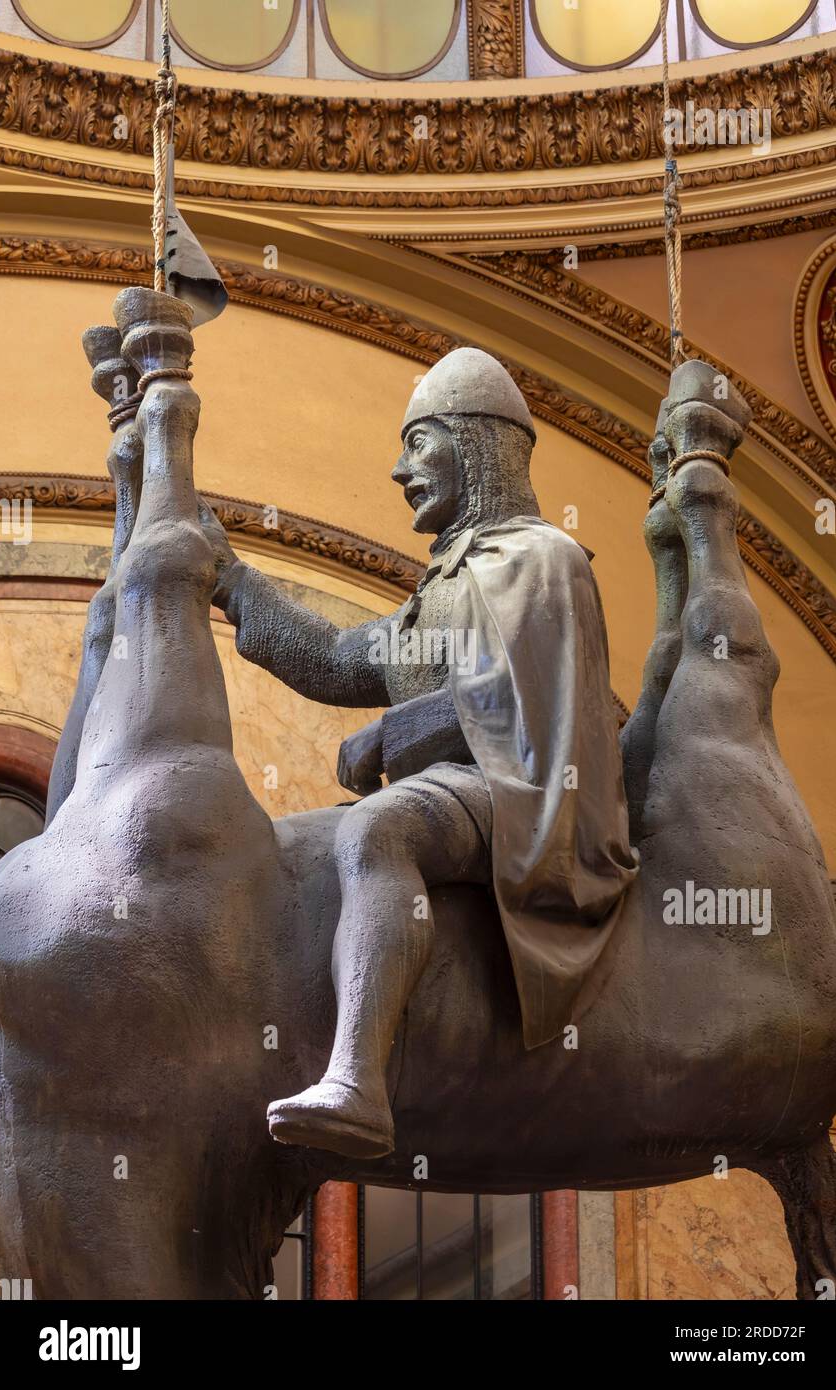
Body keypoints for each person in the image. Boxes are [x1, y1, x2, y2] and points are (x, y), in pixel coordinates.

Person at [203, 347, 639, 1158]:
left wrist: (393, 733)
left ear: (474, 446)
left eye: (420, 444)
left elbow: (528, 699)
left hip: (522, 793)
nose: (400, 470)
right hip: (461, 786)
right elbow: (335, 657)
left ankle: (359, 1082)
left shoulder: (544, 559)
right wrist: (231, 579)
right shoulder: (437, 589)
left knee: (378, 830)